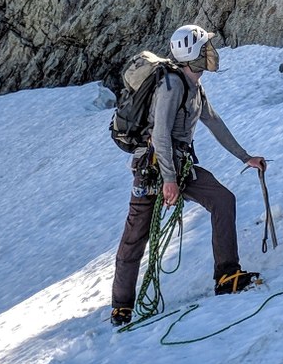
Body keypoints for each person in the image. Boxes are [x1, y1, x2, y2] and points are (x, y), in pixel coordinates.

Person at [111, 24, 267, 326]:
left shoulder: (195, 87)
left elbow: (215, 123)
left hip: (176, 166)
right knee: (135, 237)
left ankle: (227, 275)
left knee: (223, 200)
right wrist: (169, 180)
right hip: (155, 167)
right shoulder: (171, 85)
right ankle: (121, 307)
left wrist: (246, 157)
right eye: (206, 47)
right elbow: (160, 135)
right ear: (193, 54)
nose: (211, 52)